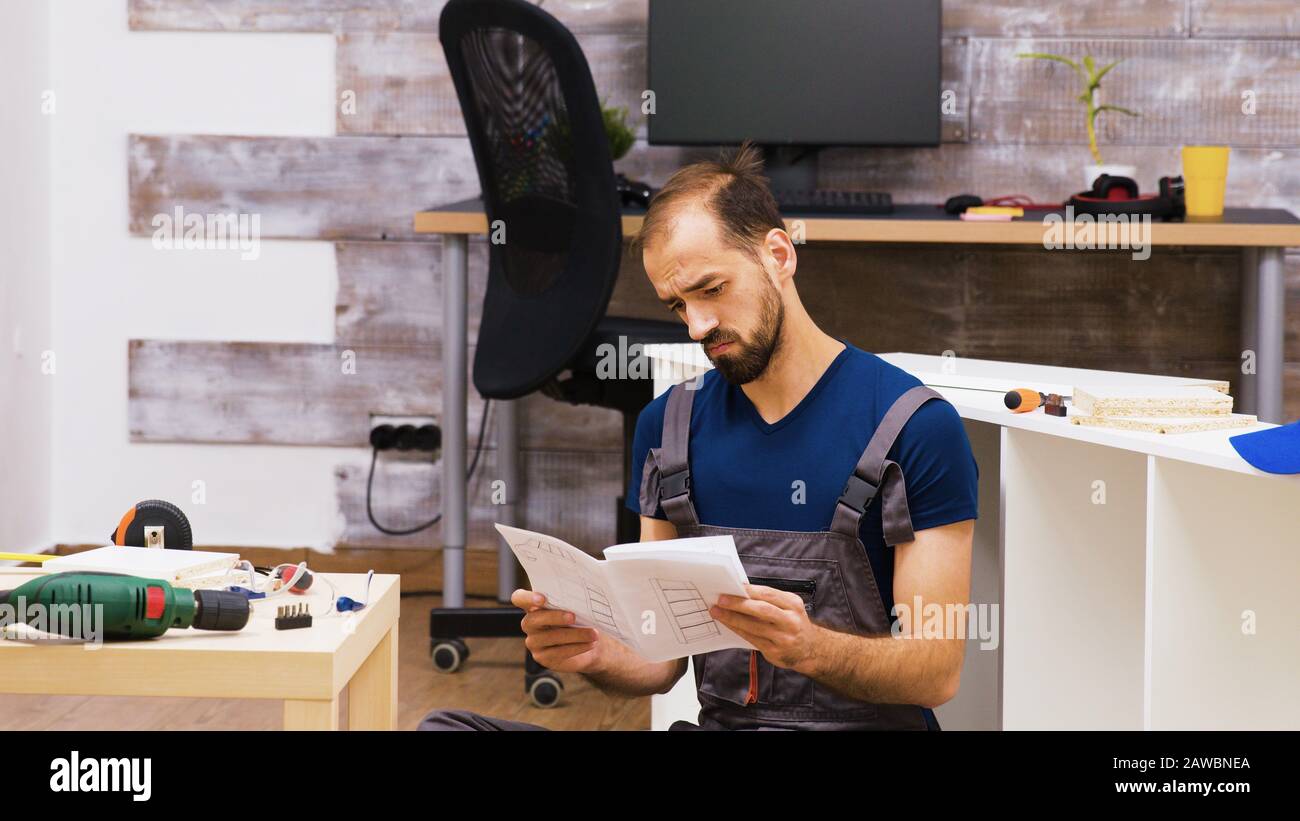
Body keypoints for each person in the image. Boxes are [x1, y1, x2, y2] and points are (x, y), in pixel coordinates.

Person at [420, 142, 978, 731]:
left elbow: (935, 671)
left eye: (710, 290)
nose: (698, 326)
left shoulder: (914, 427)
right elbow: (660, 662)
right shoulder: (667, 429)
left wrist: (812, 647)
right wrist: (595, 653)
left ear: (778, 255)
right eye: (677, 306)